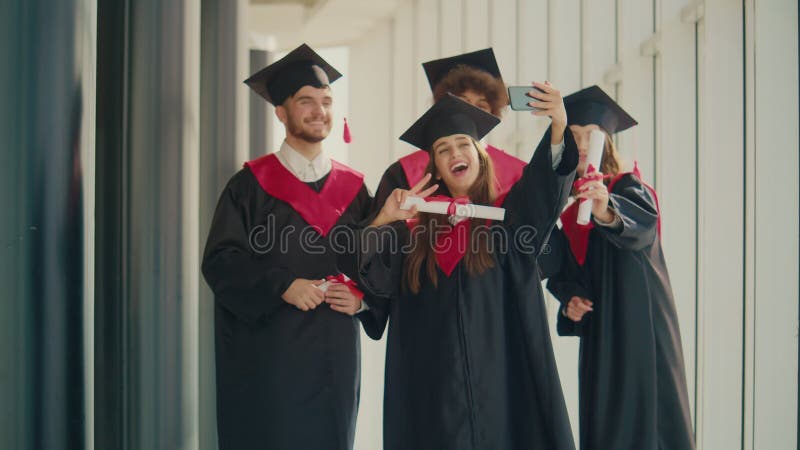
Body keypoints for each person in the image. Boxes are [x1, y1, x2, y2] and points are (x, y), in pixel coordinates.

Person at [337, 88, 579, 450]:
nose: (455, 154)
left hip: (503, 384)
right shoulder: (413, 235)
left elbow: (546, 192)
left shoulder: (510, 221)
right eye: (443, 149)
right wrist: (384, 218)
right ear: (435, 167)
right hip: (434, 391)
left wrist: (559, 124)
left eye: (464, 144)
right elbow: (368, 271)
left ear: (481, 155)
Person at [201, 44, 375, 450]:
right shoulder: (247, 186)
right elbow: (221, 261)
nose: (320, 111)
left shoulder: (354, 189)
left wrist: (363, 297)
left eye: (327, 101)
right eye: (306, 101)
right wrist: (282, 284)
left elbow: (378, 262)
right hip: (269, 353)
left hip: (335, 352)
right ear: (281, 112)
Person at [551, 85, 696, 450]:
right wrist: (571, 298)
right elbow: (565, 274)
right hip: (602, 338)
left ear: (608, 143)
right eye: (574, 135)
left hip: (640, 329)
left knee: (648, 424)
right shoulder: (568, 217)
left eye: (591, 135)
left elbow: (640, 229)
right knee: (606, 422)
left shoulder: (629, 187)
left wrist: (603, 207)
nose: (582, 143)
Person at [372, 48, 526, 215]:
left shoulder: (518, 172)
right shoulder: (403, 171)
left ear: (493, 112)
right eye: (463, 102)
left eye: (482, 106)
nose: (471, 110)